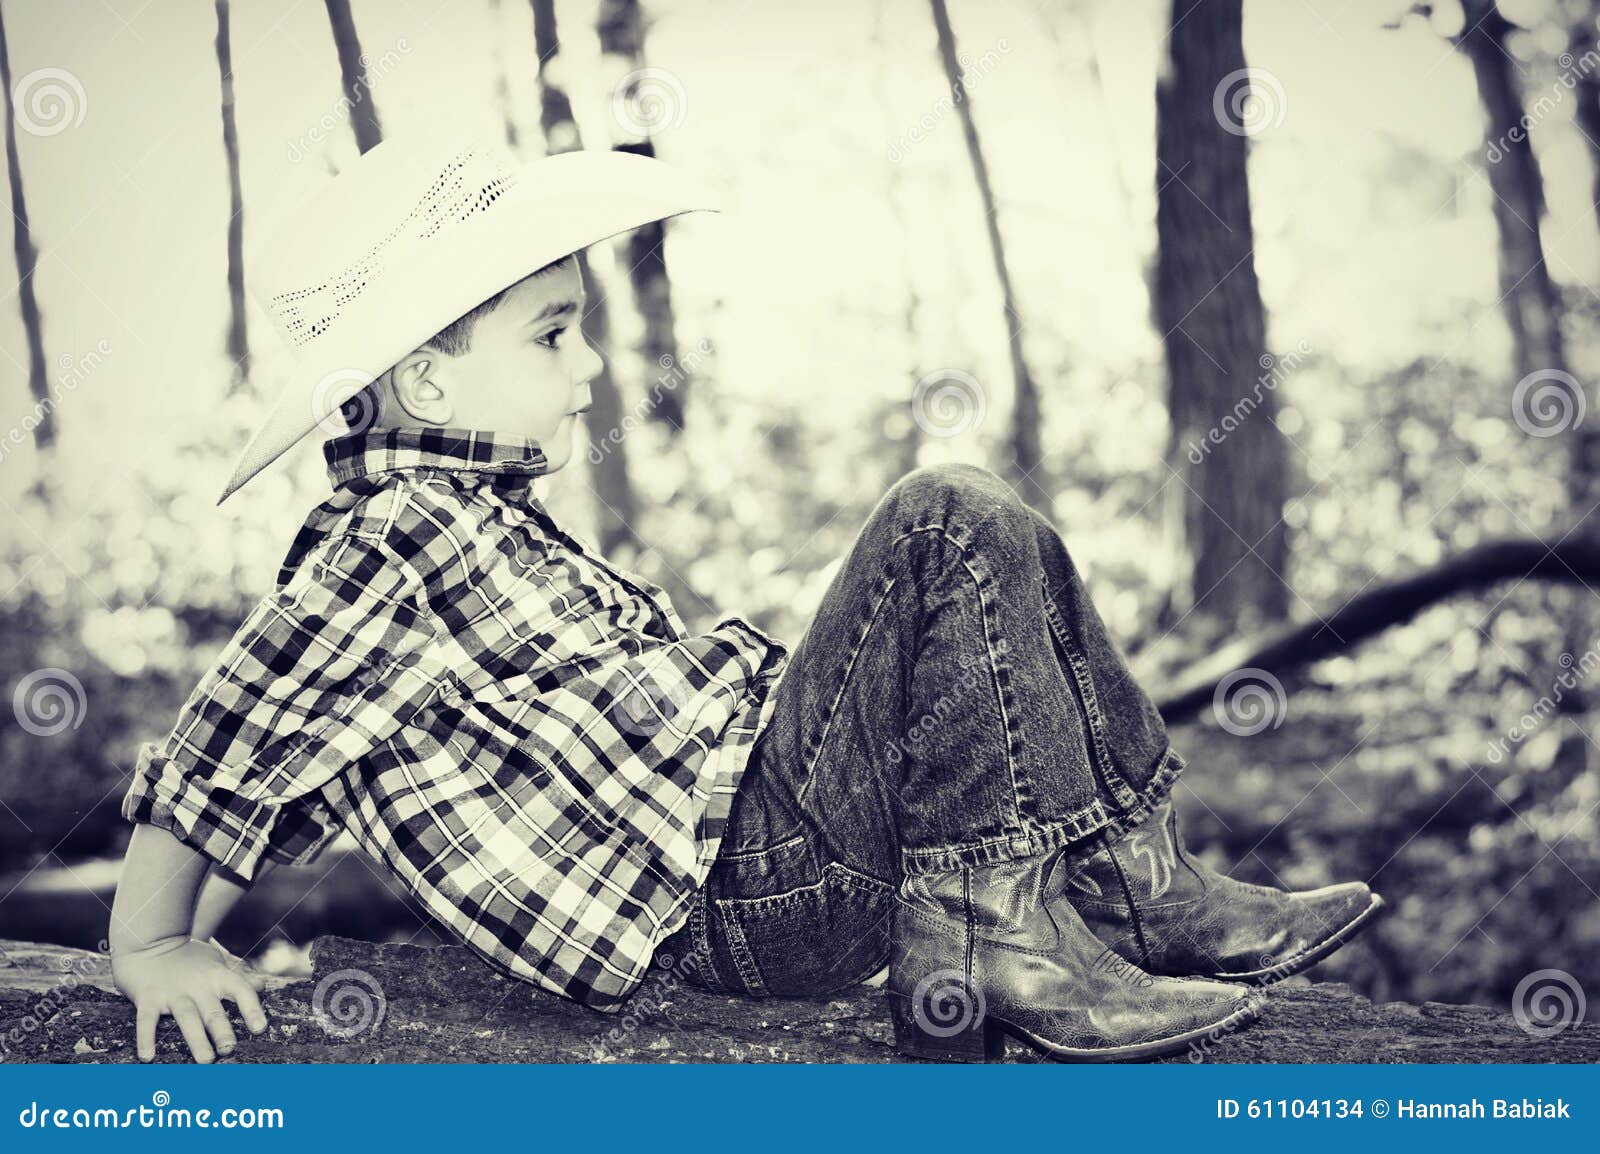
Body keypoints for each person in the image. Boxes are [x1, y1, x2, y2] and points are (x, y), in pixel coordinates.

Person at [108, 136, 1384, 1066]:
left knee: (997, 534)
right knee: (944, 517)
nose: (588, 361)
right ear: (428, 386)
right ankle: (997, 936)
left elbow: (284, 779)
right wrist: (153, 944)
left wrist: (202, 920)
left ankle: (1127, 883)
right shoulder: (387, 541)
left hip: (768, 858)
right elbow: (228, 753)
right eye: (551, 334)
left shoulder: (477, 521)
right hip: (739, 894)